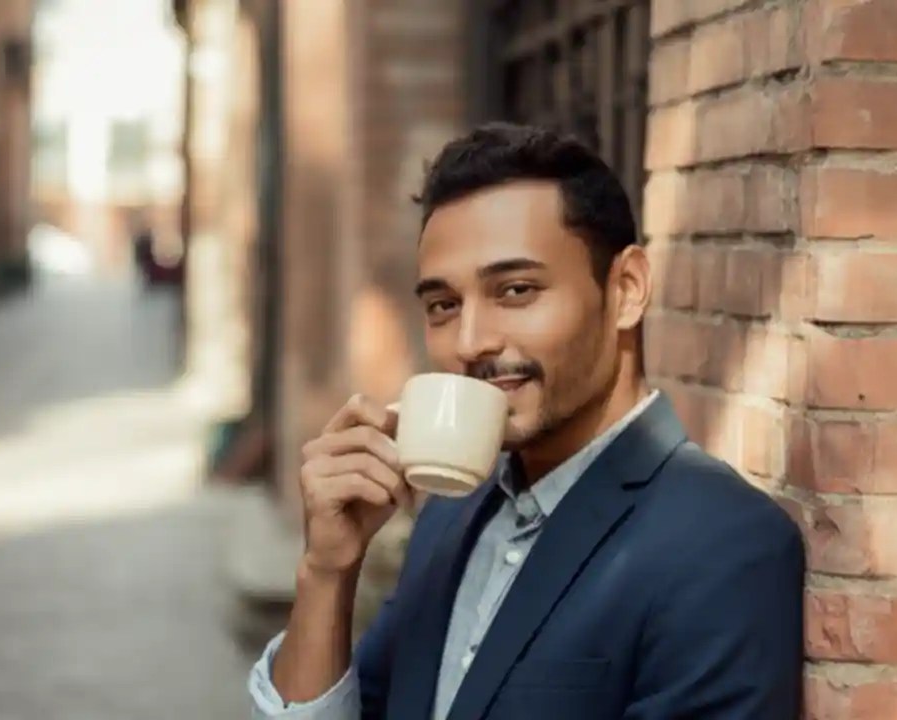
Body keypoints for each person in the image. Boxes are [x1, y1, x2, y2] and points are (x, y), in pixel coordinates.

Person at [247, 123, 804, 720]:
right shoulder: (450, 516)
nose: (470, 341)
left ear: (627, 290)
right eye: (443, 305)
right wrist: (327, 571)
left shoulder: (723, 545)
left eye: (515, 290)